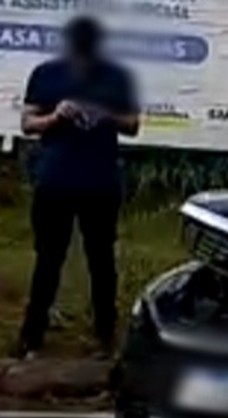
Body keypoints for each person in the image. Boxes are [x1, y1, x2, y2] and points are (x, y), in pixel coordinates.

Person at [14, 15, 140, 359]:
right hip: (56, 181)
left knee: (101, 262)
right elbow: (27, 123)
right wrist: (56, 116)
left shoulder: (117, 76)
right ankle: (31, 336)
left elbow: (133, 125)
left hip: (100, 183)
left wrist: (105, 114)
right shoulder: (46, 73)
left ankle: (104, 336)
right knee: (48, 261)